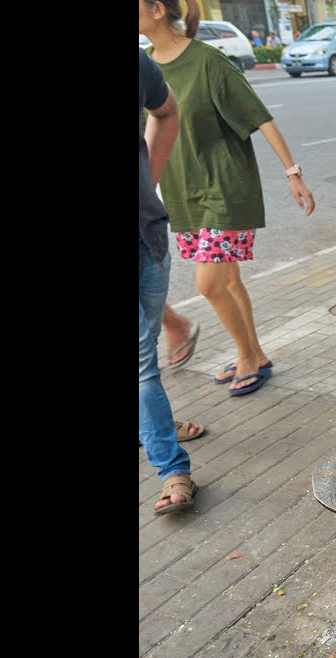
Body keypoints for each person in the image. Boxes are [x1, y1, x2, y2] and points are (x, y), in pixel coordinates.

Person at [141, 0, 315, 397]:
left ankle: (248, 356)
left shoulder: (208, 61)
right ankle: (253, 354)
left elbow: (259, 116)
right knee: (230, 280)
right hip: (183, 194)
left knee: (209, 283)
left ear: (156, 10)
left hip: (226, 189)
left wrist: (293, 174)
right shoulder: (145, 66)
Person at [140, 48, 206, 515]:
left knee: (144, 358)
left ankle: (153, 425)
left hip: (147, 236)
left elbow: (166, 110)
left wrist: (149, 178)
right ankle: (172, 467)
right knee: (142, 364)